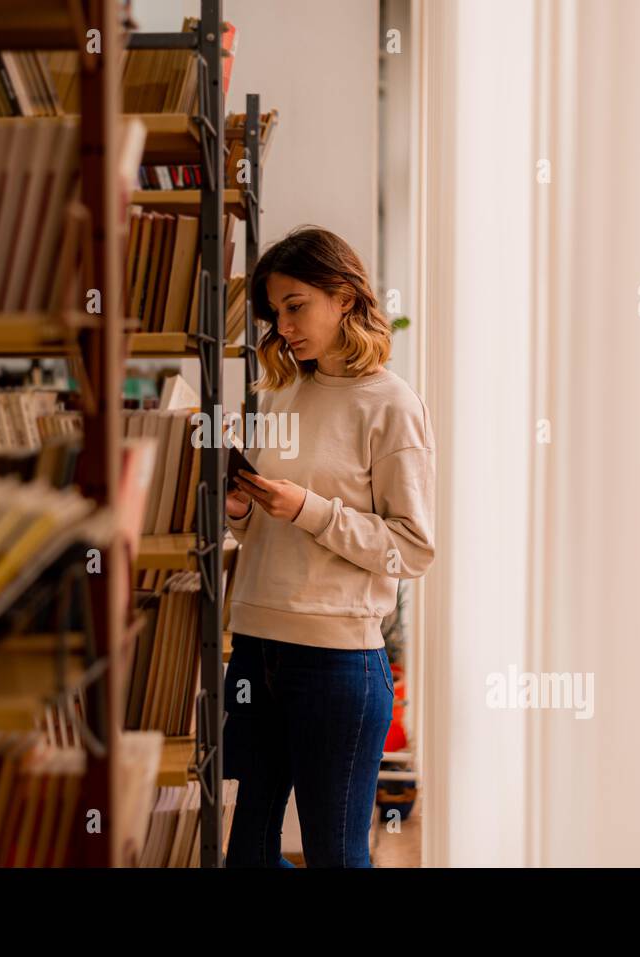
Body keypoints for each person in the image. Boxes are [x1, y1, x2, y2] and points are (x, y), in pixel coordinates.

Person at [223, 225, 436, 867]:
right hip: (256, 646)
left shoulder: (392, 405)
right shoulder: (281, 394)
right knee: (246, 858)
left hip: (337, 665)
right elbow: (266, 525)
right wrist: (241, 510)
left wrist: (311, 510)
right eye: (275, 312)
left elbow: (414, 549)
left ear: (343, 296)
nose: (283, 327)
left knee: (336, 857)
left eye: (296, 306)